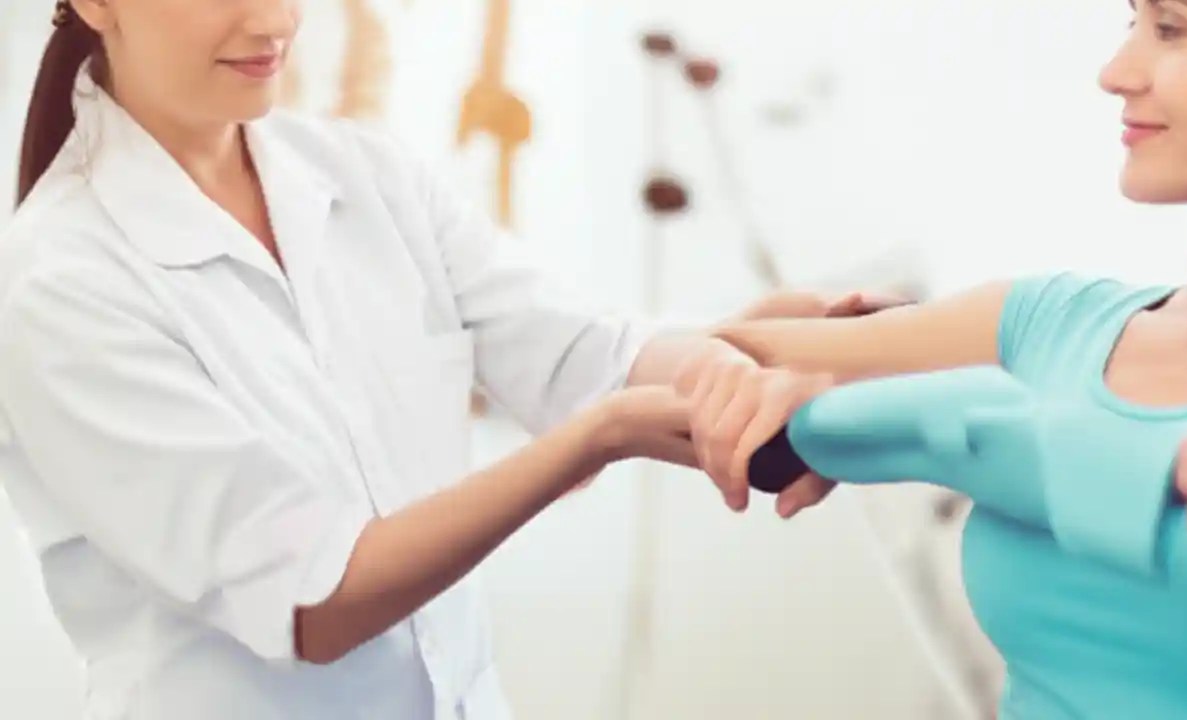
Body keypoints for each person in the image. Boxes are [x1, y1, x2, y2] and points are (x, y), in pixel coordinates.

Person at [0, 2, 903, 718]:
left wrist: (772, 351)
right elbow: (315, 603)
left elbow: (584, 352)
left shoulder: (364, 177)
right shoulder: (61, 285)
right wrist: (602, 436)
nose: (274, 19)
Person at [678, 0, 1187, 717]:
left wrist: (877, 413)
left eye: (1171, 28)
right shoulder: (1051, 324)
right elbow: (686, 364)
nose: (1116, 73)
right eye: (1132, 24)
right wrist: (787, 375)